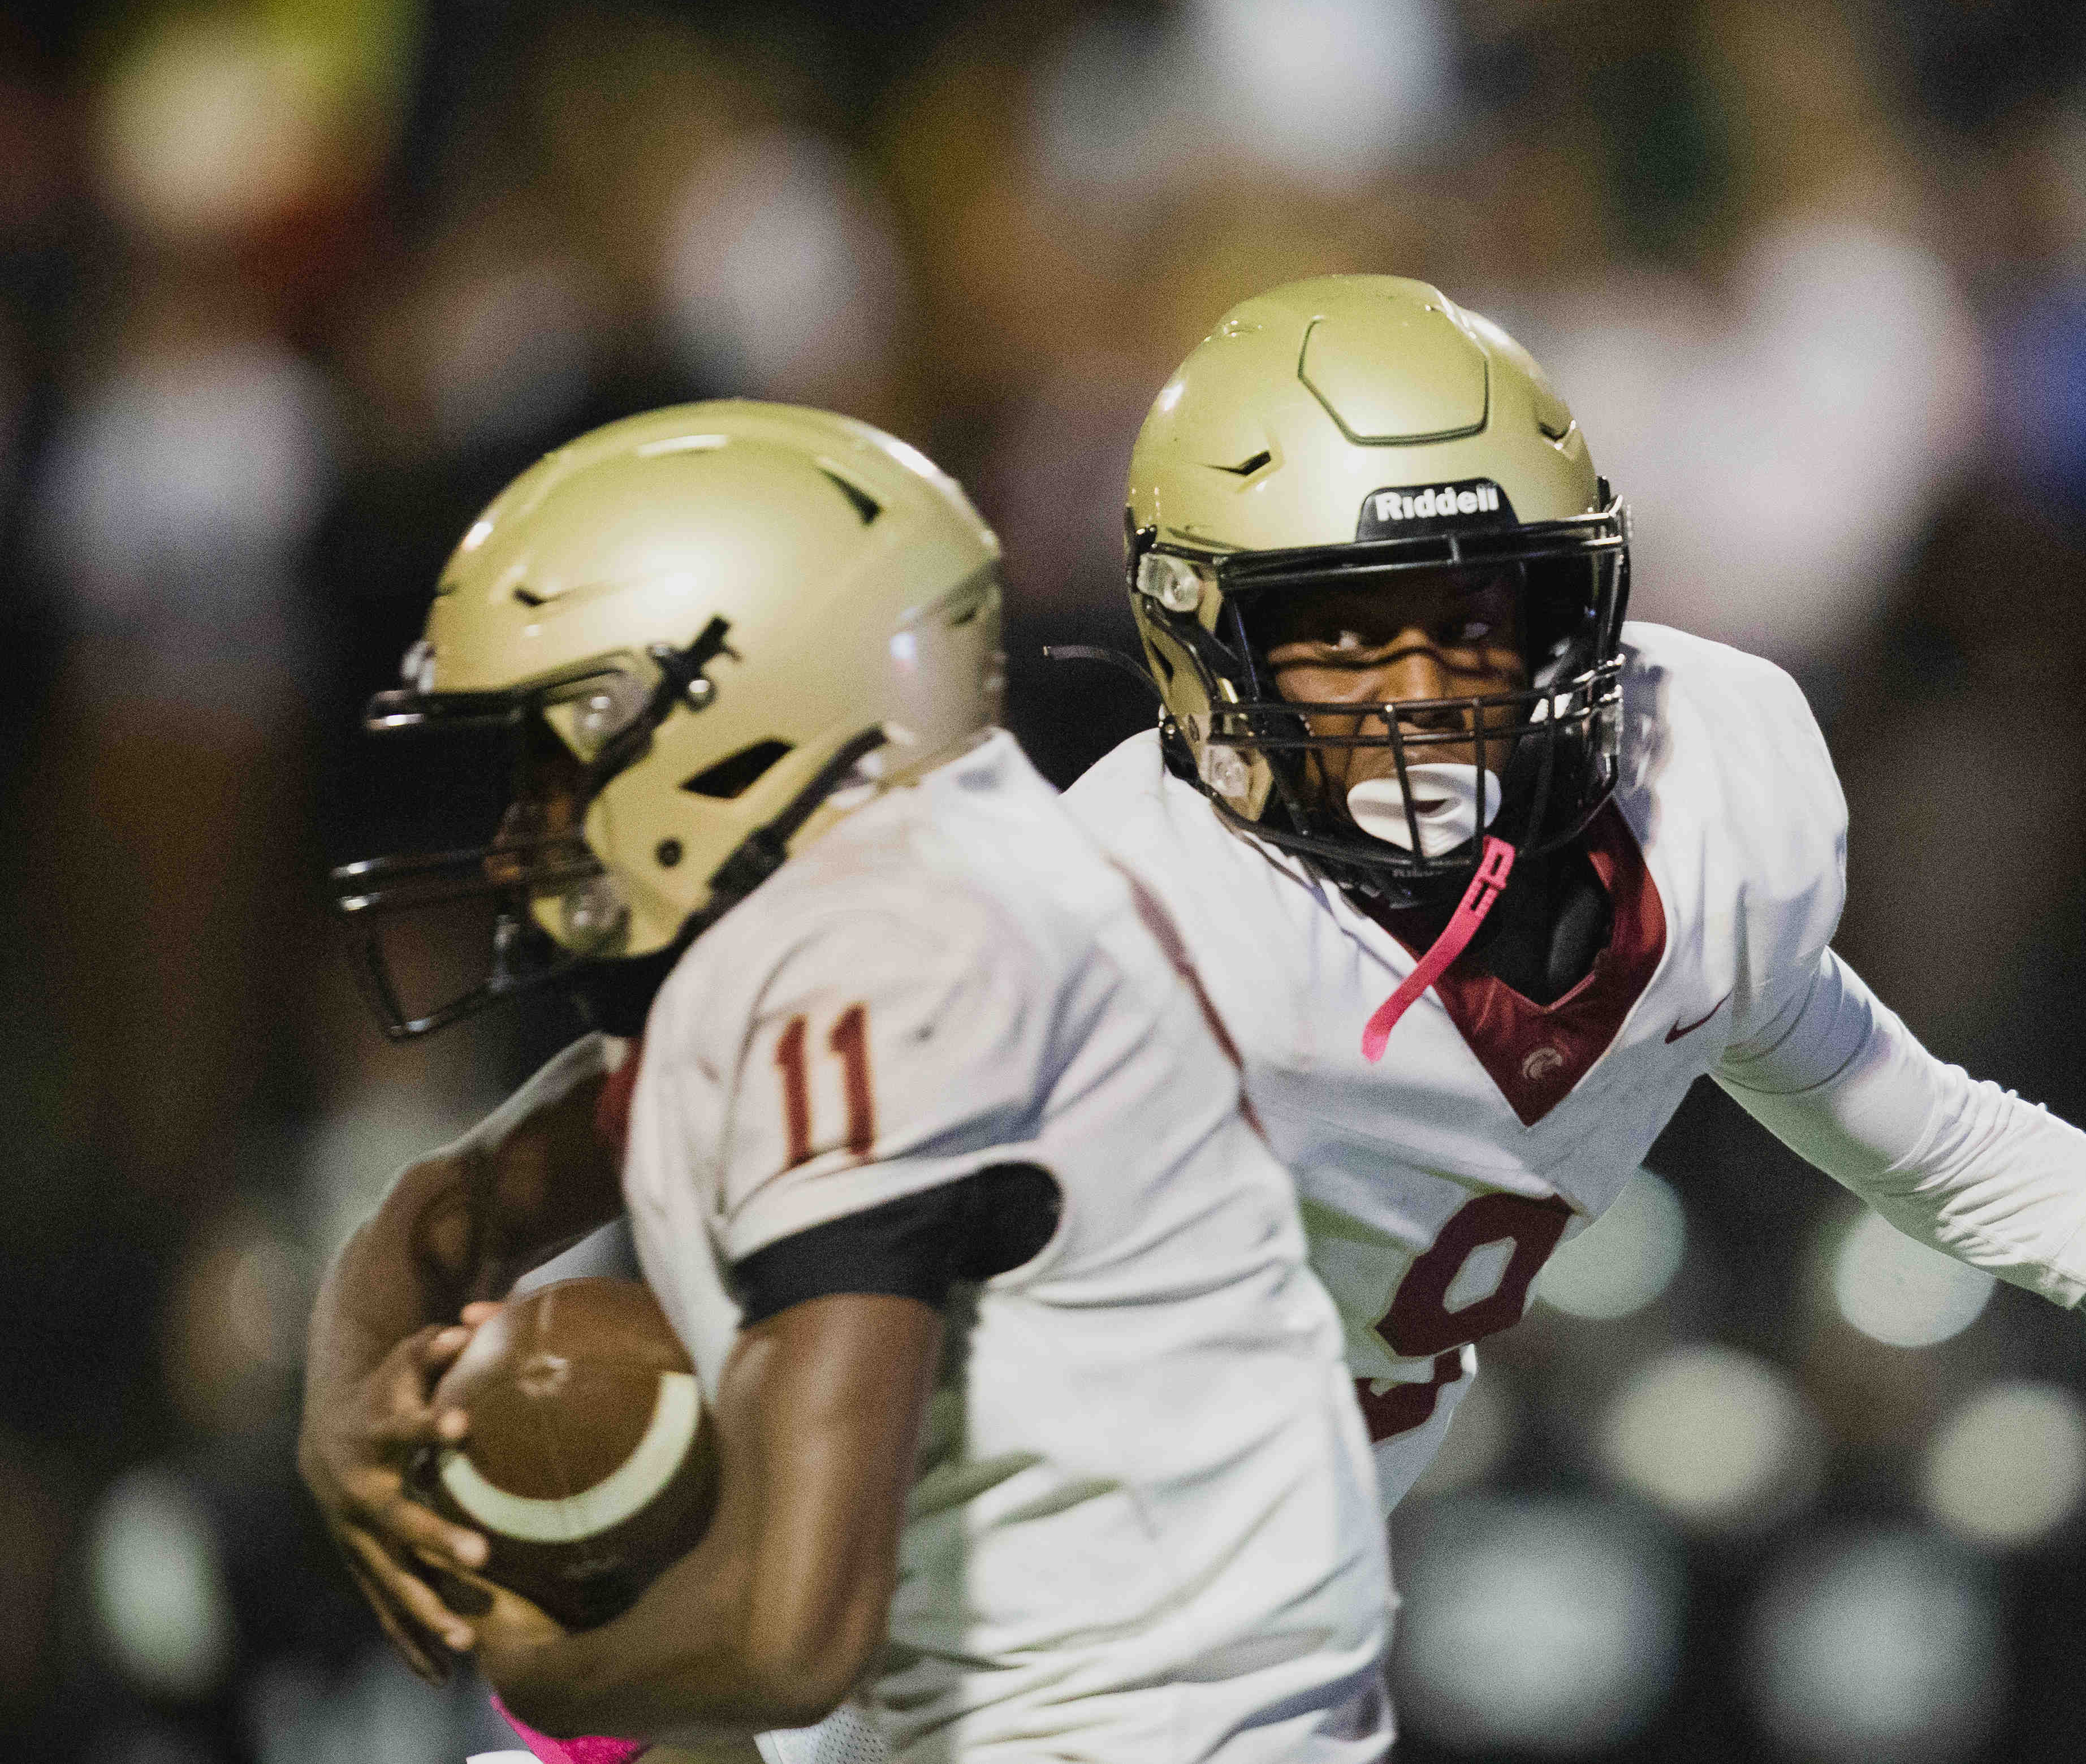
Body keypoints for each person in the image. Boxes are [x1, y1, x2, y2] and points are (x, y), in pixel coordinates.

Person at [313, 283, 2086, 1724]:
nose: (1427, 681)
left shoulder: (1705, 793)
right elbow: (503, 1181)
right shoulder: (1075, 918)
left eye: (1474, 610)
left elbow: (1941, 1137)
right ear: (1202, 649)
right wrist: (370, 1375)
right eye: (1345, 631)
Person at [299, 401, 1391, 1764]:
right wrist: (344, 1425)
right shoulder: (859, 924)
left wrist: (539, 1665)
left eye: (559, 770)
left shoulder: (903, 1003)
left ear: (732, 739)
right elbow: (452, 1213)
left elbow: (789, 1639)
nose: (519, 847)